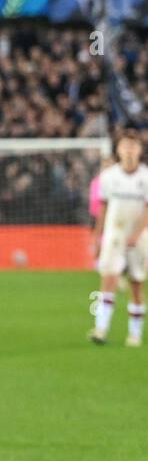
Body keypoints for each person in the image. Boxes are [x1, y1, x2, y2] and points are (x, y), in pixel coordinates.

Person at [89, 132, 148, 346]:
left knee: (136, 284)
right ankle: (100, 329)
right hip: (114, 235)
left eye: (134, 145)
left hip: (138, 238)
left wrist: (137, 233)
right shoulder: (108, 177)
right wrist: (97, 236)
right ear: (118, 149)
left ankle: (135, 334)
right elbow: (102, 208)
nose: (129, 150)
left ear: (140, 151)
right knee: (107, 280)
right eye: (125, 145)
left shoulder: (145, 177)